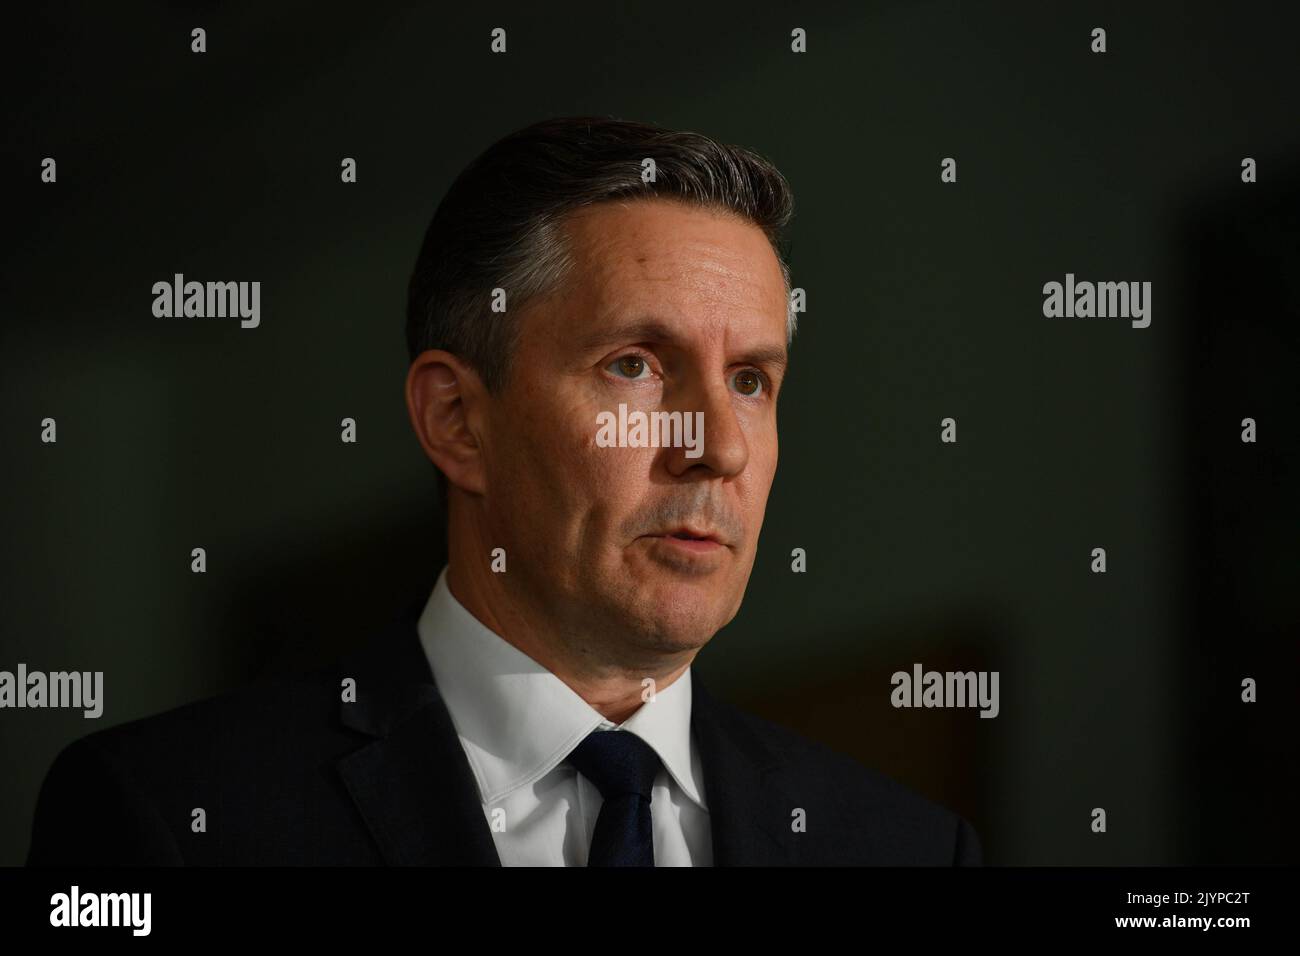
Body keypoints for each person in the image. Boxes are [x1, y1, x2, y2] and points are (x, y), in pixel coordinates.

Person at [27, 116, 981, 866]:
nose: (720, 448)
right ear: (457, 421)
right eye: (636, 366)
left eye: (750, 381)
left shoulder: (905, 848)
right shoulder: (168, 816)